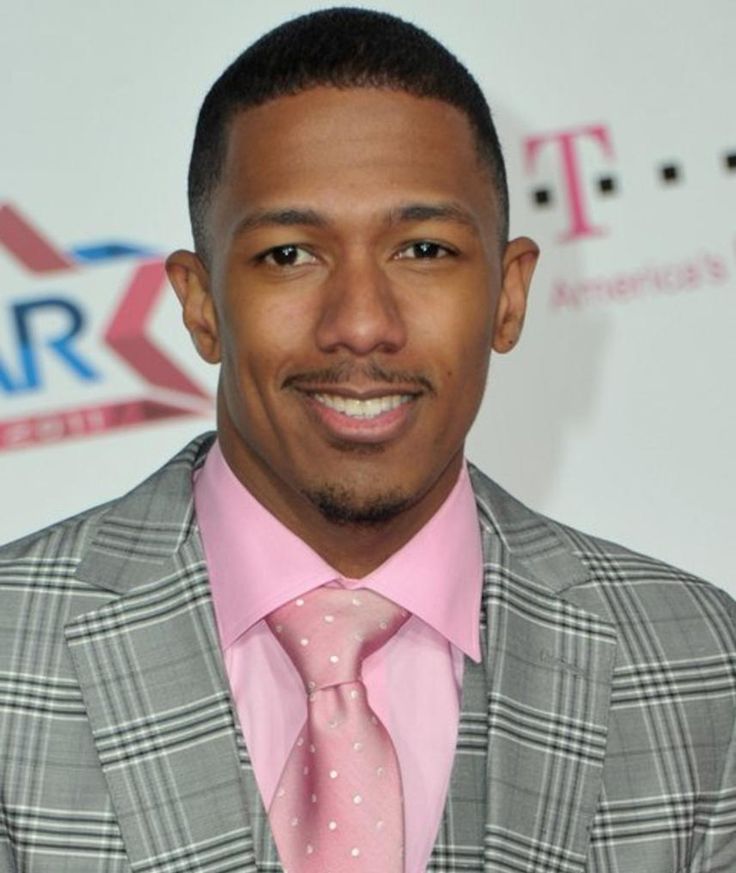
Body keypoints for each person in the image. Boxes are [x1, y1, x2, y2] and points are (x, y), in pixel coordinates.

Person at [0, 7, 734, 872]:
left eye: (422, 249)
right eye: (289, 255)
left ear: (508, 294)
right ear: (200, 305)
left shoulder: (698, 662)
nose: (360, 324)